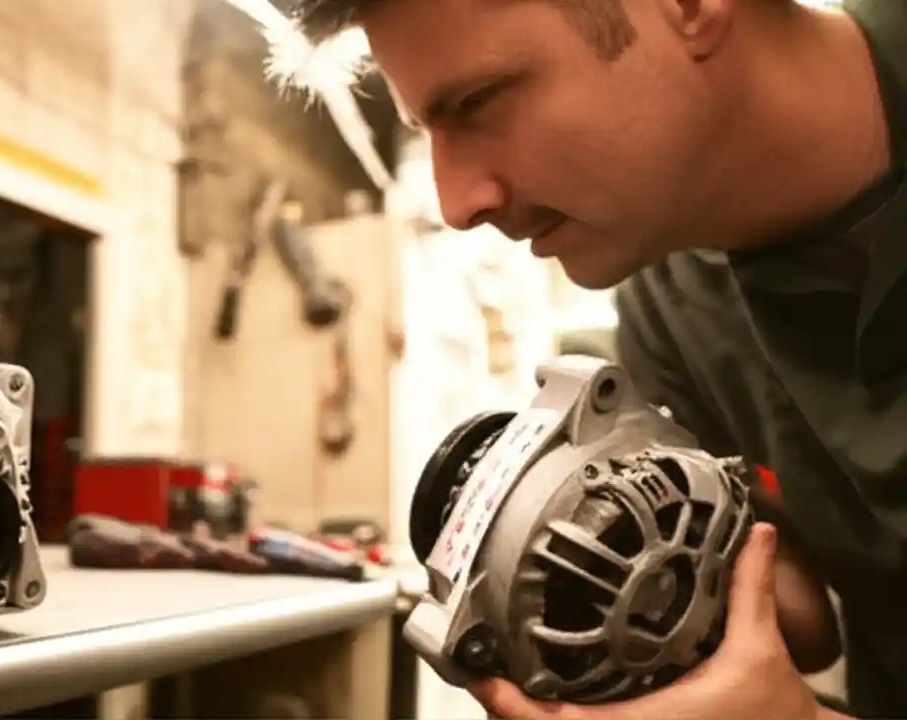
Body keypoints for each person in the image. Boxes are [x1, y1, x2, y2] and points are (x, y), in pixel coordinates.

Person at [290, 0, 907, 718]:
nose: (457, 203)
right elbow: (798, 624)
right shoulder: (671, 303)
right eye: (428, 130)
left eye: (481, 100)